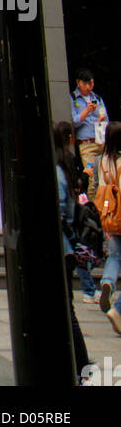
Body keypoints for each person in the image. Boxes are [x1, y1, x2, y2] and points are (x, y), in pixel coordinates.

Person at [53, 121, 92, 380]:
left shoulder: (58, 170)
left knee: (66, 309)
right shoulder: (68, 167)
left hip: (63, 247)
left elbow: (61, 210)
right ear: (68, 139)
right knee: (66, 308)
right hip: (69, 247)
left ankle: (80, 368)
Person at [96, 120, 121, 334]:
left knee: (114, 256)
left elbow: (99, 188)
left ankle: (107, 282)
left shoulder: (102, 161)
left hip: (109, 216)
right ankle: (119, 309)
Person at [71, 68, 108, 202]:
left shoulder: (97, 98)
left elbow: (106, 119)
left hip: (101, 143)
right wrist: (87, 110)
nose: (88, 87)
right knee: (92, 179)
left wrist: (101, 121)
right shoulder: (73, 98)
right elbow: (74, 122)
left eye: (90, 84)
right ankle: (94, 210)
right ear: (78, 83)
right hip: (86, 146)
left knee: (105, 177)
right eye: (85, 84)